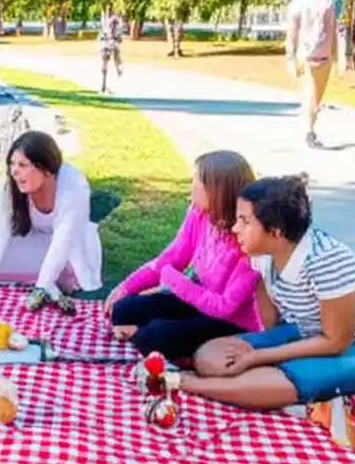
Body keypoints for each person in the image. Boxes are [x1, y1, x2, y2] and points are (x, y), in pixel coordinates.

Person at [175, 174, 355, 408]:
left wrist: (257, 357)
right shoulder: (261, 254)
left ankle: (193, 385)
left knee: (281, 380)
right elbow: (270, 322)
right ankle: (268, 380)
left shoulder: (328, 260)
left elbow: (336, 342)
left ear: (277, 232)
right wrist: (262, 348)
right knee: (209, 357)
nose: (235, 228)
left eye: (245, 221)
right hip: (303, 331)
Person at [104, 151, 261, 358]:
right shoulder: (199, 213)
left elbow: (223, 308)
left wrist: (173, 280)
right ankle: (146, 334)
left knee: (157, 336)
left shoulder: (246, 240)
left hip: (228, 320)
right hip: (197, 300)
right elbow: (172, 257)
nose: (191, 186)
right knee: (124, 309)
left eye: (196, 181)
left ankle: (148, 337)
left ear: (217, 190)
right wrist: (124, 288)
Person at [0, 130, 103, 316]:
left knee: (71, 273)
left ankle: (49, 286)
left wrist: (40, 290)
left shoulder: (74, 184)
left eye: (22, 165)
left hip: (73, 246)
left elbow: (64, 240)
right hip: (34, 241)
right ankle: (49, 286)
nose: (14, 172)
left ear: (46, 168)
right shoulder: (9, 187)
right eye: (12, 164)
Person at [284, 0, 345, 149]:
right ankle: (309, 132)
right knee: (310, 93)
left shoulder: (332, 0)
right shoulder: (299, 1)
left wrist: (342, 56)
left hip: (325, 55)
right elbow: (292, 30)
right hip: (306, 54)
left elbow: (339, 29)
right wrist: (290, 55)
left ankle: (309, 125)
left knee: (316, 97)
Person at [98, 12, 124, 94]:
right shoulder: (107, 27)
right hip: (106, 43)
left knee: (115, 58)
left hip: (111, 42)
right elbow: (102, 38)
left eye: (115, 24)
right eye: (113, 24)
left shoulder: (118, 29)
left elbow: (118, 40)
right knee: (105, 60)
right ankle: (104, 85)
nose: (113, 25)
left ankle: (108, 85)